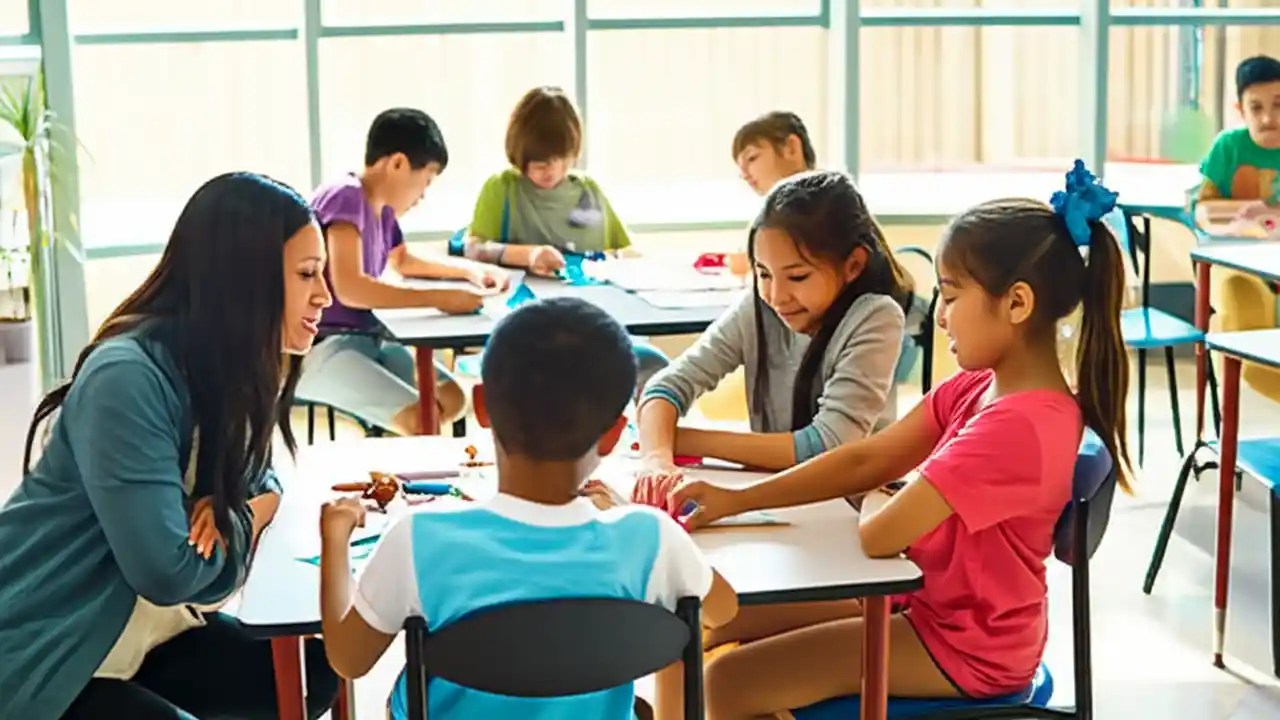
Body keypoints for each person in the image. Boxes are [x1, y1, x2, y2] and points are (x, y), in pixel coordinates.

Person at [665, 161, 1131, 718]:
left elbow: (881, 534)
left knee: (727, 685)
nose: (941, 318)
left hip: (965, 646)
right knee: (695, 621)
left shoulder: (1019, 426)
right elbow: (863, 458)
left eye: (952, 297)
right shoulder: (980, 386)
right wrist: (740, 501)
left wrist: (889, 491)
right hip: (927, 603)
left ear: (1017, 304)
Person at [0, 172, 340, 720]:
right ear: (244, 281)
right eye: (307, 274)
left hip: (143, 637)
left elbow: (264, 480)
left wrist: (246, 507)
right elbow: (168, 572)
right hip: (50, 651)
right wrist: (246, 518)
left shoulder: (231, 367)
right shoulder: (126, 379)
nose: (326, 295)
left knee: (312, 670)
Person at [317, 297, 738, 719]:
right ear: (613, 436)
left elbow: (349, 661)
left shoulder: (417, 539)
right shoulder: (652, 537)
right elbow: (723, 610)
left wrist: (335, 539)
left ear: (482, 408)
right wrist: (628, 513)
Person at [632, 170, 909, 506]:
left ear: (853, 265)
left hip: (851, 513)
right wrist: (657, 459)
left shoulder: (876, 317)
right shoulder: (759, 307)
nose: (776, 296)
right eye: (763, 273)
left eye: (797, 276)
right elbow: (667, 386)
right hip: (770, 501)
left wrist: (688, 440)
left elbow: (828, 445)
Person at [295, 108, 509, 436]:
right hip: (323, 346)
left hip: (368, 340)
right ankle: (400, 469)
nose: (423, 195)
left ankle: (388, 441)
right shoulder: (347, 196)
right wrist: (441, 299)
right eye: (426, 180)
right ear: (397, 163)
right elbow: (350, 287)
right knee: (424, 420)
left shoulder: (382, 212)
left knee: (451, 398)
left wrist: (468, 274)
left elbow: (404, 261)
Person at [460, 85, 668, 392]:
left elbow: (623, 251)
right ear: (521, 154)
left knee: (655, 368)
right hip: (524, 330)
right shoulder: (502, 190)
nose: (550, 170)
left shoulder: (587, 192)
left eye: (560, 159)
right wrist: (528, 256)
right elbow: (472, 250)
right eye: (540, 162)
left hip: (592, 324)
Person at [1196, 55, 1280, 401]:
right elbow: (1203, 209)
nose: (1268, 118)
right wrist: (1248, 213)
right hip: (1236, 267)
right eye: (1256, 107)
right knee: (1240, 299)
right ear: (1240, 109)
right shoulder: (1228, 148)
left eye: (1278, 105)